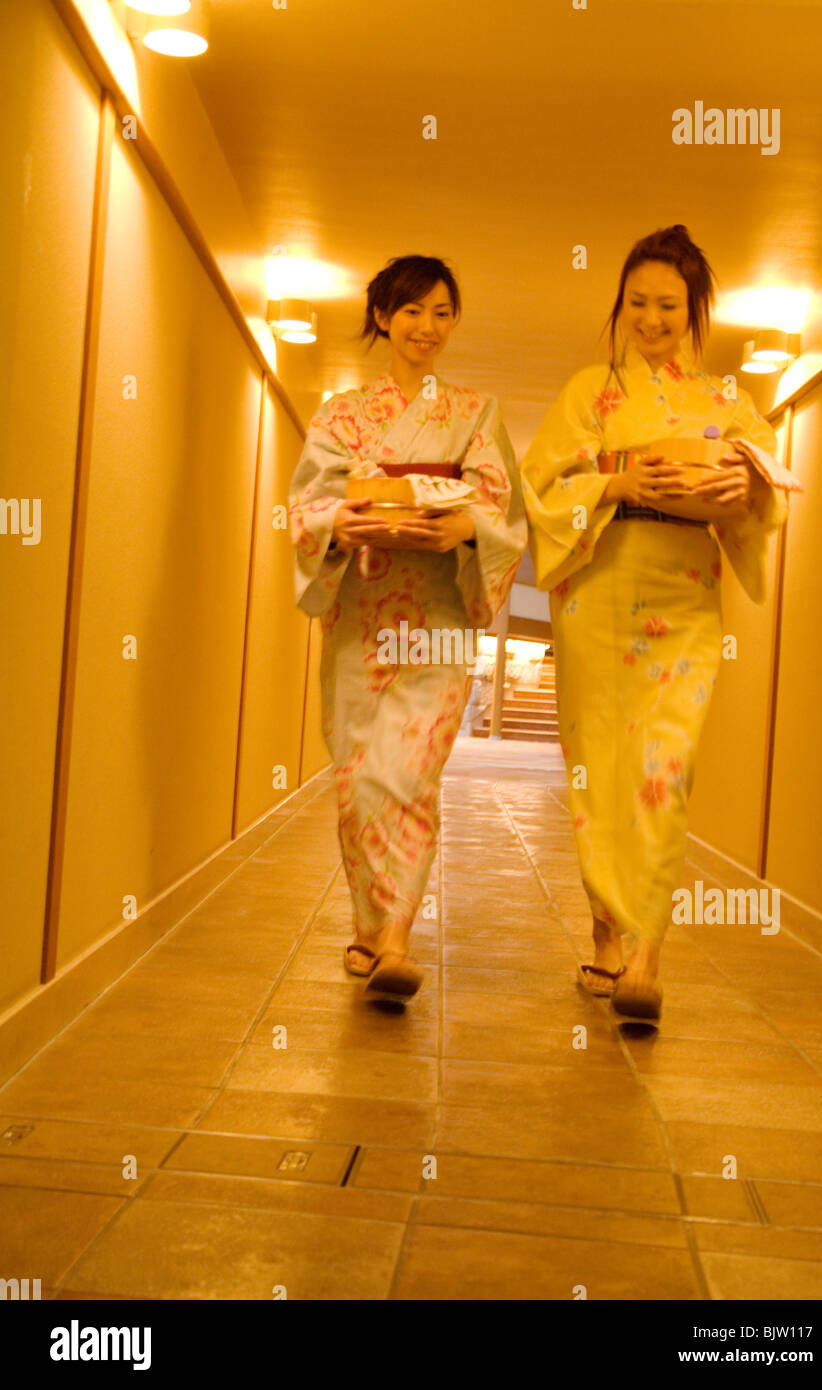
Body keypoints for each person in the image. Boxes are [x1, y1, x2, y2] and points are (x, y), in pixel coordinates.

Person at [520, 225, 794, 1022]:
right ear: (620, 305)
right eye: (636, 302)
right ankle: (604, 936)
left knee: (662, 770)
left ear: (694, 310)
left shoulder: (727, 402)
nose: (650, 317)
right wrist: (617, 476)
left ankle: (646, 951)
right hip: (599, 588)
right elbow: (543, 482)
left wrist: (735, 488)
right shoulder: (587, 392)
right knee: (598, 765)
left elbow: (766, 487)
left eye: (667, 304)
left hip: (683, 592)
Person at [289, 255, 525, 1000]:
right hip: (362, 614)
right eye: (412, 310)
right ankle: (368, 927)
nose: (427, 326)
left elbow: (501, 513)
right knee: (359, 777)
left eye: (443, 312)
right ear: (382, 317)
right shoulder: (338, 414)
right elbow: (306, 507)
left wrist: (460, 526)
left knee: (409, 772)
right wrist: (343, 519)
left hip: (439, 615)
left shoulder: (477, 413)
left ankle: (394, 938)